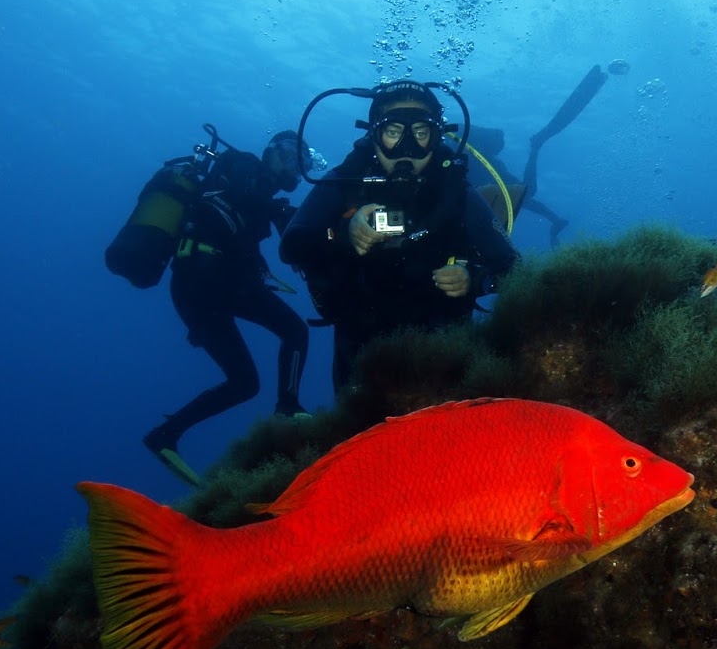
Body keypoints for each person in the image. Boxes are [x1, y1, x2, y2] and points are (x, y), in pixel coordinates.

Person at [279, 81, 519, 394]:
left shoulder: (455, 191)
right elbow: (292, 245)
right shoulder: (346, 180)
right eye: (393, 132)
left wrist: (475, 278)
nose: (407, 149)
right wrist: (343, 235)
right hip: (360, 356)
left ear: (436, 138)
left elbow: (514, 268)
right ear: (373, 136)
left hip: (446, 355)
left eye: (421, 134)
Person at [143, 131, 312, 486]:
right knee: (294, 330)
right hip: (208, 278)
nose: (295, 165)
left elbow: (238, 236)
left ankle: (165, 435)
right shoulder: (243, 165)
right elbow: (240, 195)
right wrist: (280, 212)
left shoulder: (257, 200)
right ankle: (288, 408)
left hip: (198, 291)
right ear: (270, 152)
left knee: (244, 384)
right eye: (290, 155)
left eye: (303, 161)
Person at [464, 64, 610, 248]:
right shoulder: (482, 165)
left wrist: (553, 218)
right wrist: (552, 217)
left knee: (523, 191)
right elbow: (525, 197)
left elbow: (523, 196)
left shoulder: (480, 164)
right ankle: (537, 144)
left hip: (475, 170)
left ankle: (537, 144)